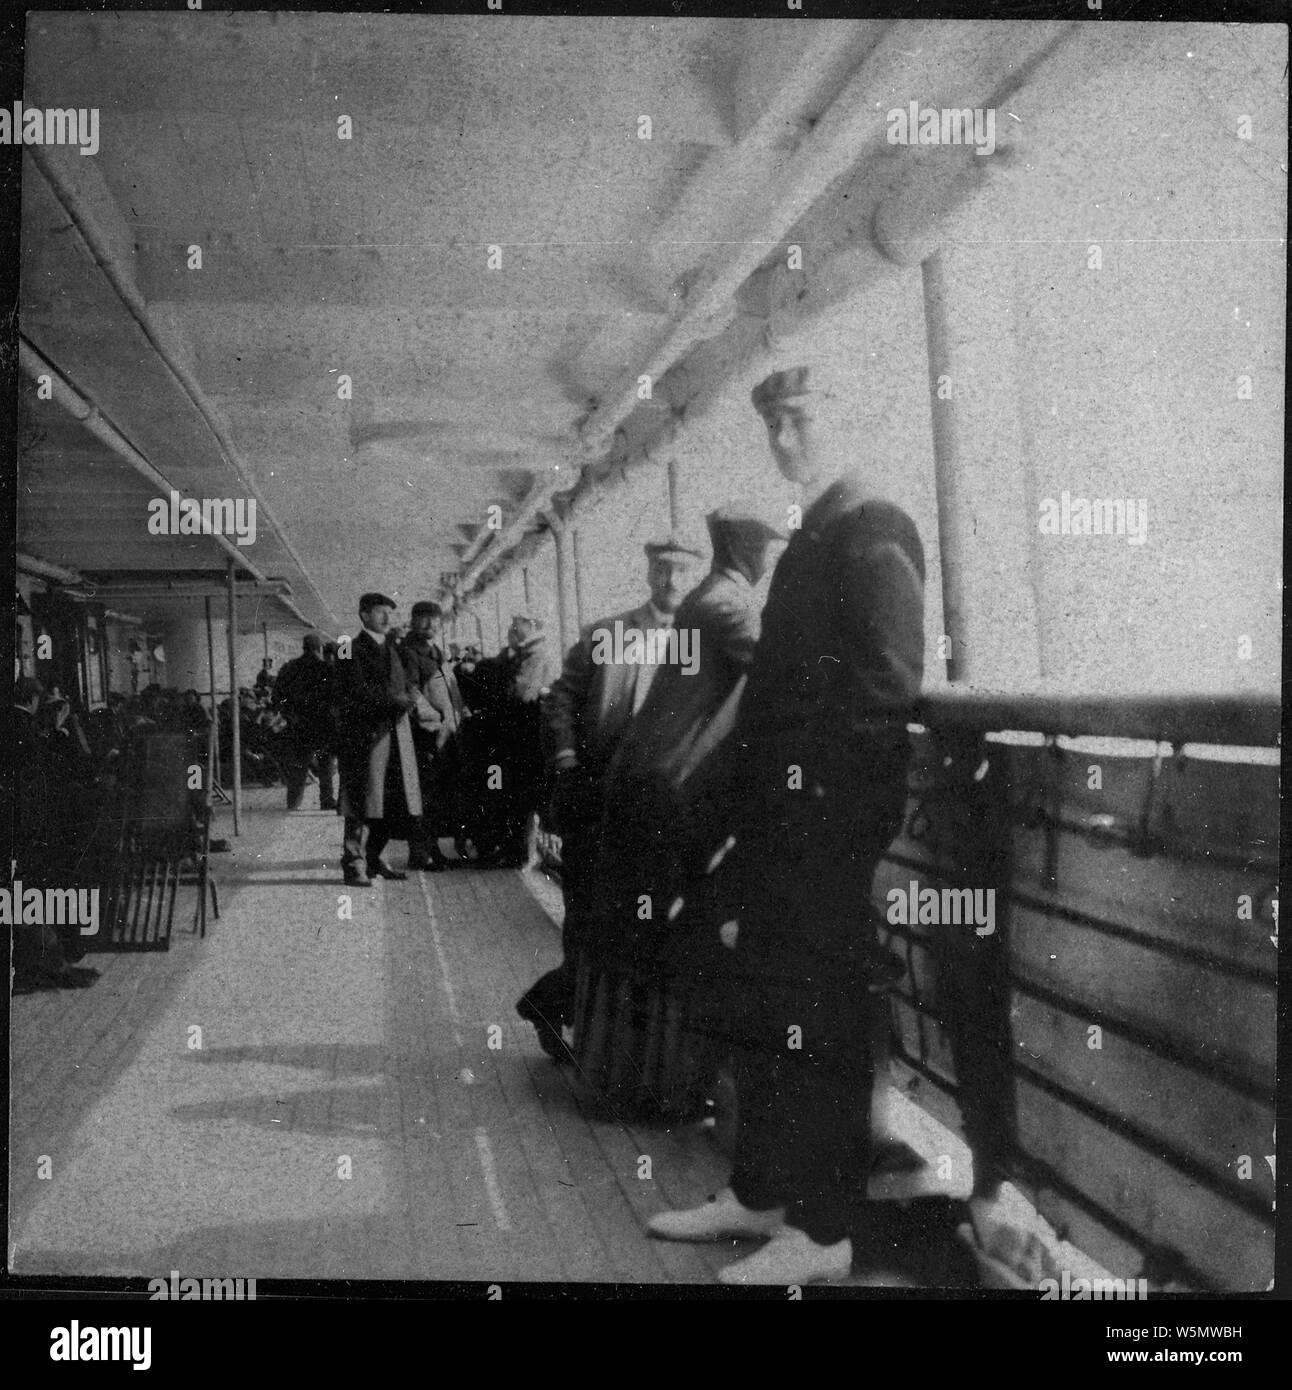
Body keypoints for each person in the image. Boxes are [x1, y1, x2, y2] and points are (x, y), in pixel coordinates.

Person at [647, 365, 926, 1286]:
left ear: (846, 418)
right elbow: (770, 701)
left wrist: (814, 819)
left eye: (799, 420)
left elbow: (884, 694)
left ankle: (827, 1226)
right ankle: (762, 1191)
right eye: (772, 425)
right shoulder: (815, 538)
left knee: (825, 1020)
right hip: (777, 826)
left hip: (825, 832)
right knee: (765, 1008)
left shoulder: (873, 530)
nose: (784, 441)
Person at [572, 509, 785, 1117]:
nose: (769, 557)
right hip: (665, 793)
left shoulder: (703, 599)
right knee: (654, 933)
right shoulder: (730, 604)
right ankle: (650, 1091)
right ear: (747, 550)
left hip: (644, 784)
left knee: (629, 930)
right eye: (765, 546)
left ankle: (621, 1081)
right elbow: (783, 679)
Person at [515, 537, 703, 1061]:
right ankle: (562, 1011)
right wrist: (567, 759)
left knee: (638, 920)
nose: (671, 582)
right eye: (662, 570)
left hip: (658, 803)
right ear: (648, 574)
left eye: (682, 573)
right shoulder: (608, 634)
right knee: (588, 914)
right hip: (597, 796)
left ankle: (588, 1024)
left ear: (694, 580)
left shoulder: (700, 643)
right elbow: (561, 698)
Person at [333, 592, 424, 886]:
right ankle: (353, 863)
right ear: (364, 615)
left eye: (391, 613)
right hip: (365, 737)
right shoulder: (348, 648)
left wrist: (409, 696)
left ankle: (374, 858)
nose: (387, 618)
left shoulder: (393, 648)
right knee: (360, 801)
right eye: (381, 612)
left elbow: (408, 683)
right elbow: (354, 691)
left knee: (390, 799)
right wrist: (400, 701)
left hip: (395, 734)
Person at [462, 614, 552, 867]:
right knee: (510, 795)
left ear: (533, 626)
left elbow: (520, 693)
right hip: (511, 739)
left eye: (517, 625)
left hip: (524, 741)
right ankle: (513, 850)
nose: (511, 629)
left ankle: (522, 854)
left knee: (522, 797)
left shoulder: (536, 657)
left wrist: (492, 691)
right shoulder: (520, 654)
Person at [399, 601, 468, 872]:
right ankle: (420, 852)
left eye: (435, 621)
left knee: (436, 794)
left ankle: (432, 849)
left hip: (444, 733)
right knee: (422, 794)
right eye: (424, 620)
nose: (431, 626)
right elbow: (412, 692)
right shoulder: (409, 653)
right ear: (414, 621)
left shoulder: (436, 651)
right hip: (425, 734)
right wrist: (433, 720)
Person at [273, 632, 337, 811]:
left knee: (298, 765)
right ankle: (327, 800)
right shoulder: (326, 668)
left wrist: (289, 714)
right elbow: (336, 696)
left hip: (298, 724)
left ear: (304, 647)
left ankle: (293, 802)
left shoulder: (289, 668)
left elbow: (277, 696)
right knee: (325, 765)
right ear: (319, 649)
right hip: (322, 724)